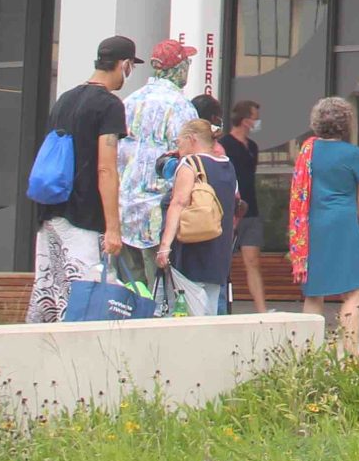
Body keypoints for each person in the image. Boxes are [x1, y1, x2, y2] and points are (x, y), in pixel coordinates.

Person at [26, 35, 135, 323]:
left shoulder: (65, 99)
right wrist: (113, 229)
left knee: (50, 295)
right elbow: (106, 169)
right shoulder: (109, 105)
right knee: (81, 299)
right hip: (83, 218)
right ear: (124, 65)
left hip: (50, 211)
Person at [117, 39, 200, 276]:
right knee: (160, 289)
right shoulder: (181, 106)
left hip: (124, 212)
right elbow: (189, 159)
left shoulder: (129, 101)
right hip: (159, 216)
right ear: (179, 67)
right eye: (187, 62)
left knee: (129, 290)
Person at [299, 97, 359, 352]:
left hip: (314, 224)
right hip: (344, 222)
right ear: (346, 123)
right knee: (352, 291)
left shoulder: (308, 152)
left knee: (314, 291)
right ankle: (350, 354)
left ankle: (308, 353)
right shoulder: (354, 154)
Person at [154, 119, 240, 317]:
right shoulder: (227, 165)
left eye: (179, 142)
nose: (178, 147)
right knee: (209, 311)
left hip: (191, 248)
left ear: (192, 139)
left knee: (183, 311)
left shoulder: (190, 164)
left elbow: (178, 203)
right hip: (218, 249)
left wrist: (165, 246)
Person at [221, 99, 267, 313]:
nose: (257, 122)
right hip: (230, 211)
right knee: (223, 261)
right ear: (245, 120)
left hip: (251, 210)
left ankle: (262, 310)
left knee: (253, 261)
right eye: (255, 118)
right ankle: (220, 307)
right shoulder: (225, 145)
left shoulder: (253, 147)